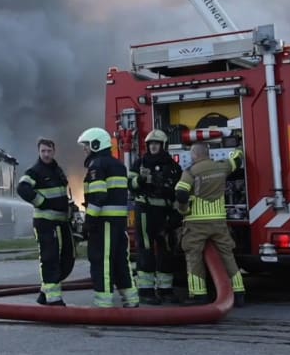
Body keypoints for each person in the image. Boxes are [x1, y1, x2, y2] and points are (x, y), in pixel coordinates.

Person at [174, 142, 247, 307]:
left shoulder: (191, 172)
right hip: (218, 221)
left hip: (196, 222)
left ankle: (199, 295)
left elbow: (181, 192)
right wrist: (239, 148)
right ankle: (239, 292)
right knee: (227, 255)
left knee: (194, 257)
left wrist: (183, 210)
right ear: (208, 153)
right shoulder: (222, 167)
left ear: (194, 155)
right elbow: (236, 160)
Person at [78, 127, 137, 308]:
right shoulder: (118, 165)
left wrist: (89, 221)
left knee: (101, 260)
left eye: (87, 145)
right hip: (119, 222)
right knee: (120, 260)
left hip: (104, 222)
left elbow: (98, 196)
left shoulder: (97, 165)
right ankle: (131, 298)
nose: (85, 149)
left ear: (96, 144)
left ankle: (103, 303)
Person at [17, 137, 75, 306]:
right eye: (43, 151)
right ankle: (53, 298)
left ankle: (44, 293)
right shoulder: (35, 171)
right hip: (45, 223)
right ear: (38, 152)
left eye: (49, 151)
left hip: (61, 222)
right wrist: (41, 202)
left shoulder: (57, 170)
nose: (46, 154)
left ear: (54, 151)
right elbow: (22, 188)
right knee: (49, 258)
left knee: (66, 258)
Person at [129, 129, 183, 305]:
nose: (153, 146)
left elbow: (180, 191)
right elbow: (129, 184)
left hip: (166, 213)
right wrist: (141, 181)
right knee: (145, 249)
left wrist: (177, 213)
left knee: (167, 250)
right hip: (145, 210)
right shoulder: (140, 163)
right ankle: (146, 291)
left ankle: (165, 289)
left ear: (163, 146)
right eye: (151, 144)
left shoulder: (173, 167)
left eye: (156, 144)